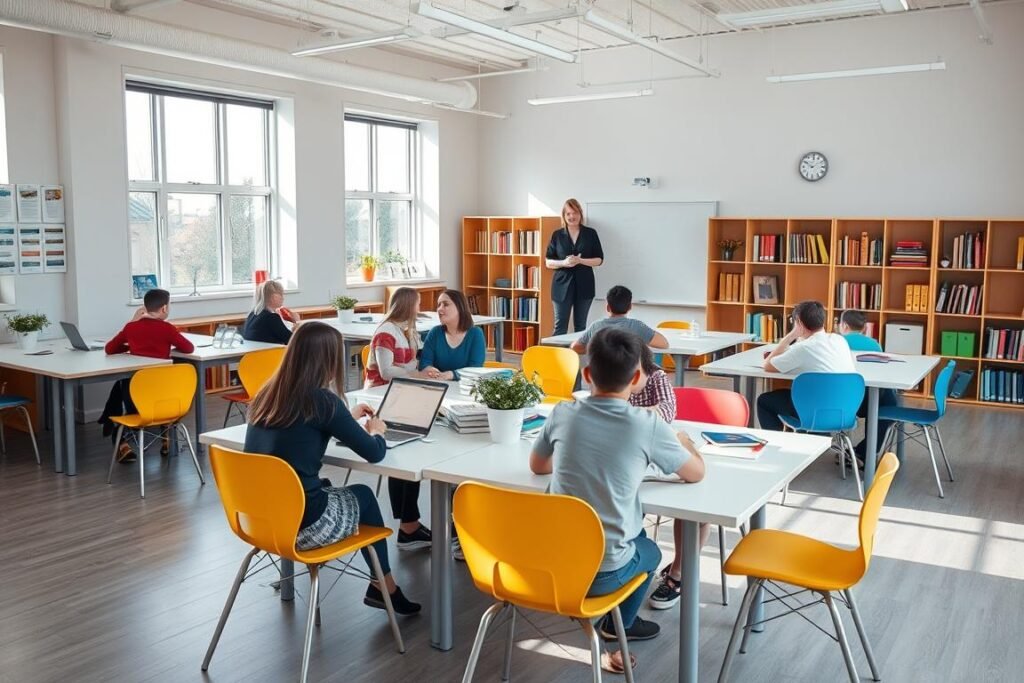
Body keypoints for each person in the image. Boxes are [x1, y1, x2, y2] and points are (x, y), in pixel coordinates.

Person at [530, 327, 705, 673]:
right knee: (650, 551)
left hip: (549, 562)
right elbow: (696, 473)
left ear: (586, 374)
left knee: (633, 538)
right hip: (602, 572)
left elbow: (537, 466)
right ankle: (617, 626)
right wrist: (685, 442)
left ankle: (609, 624)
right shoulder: (646, 425)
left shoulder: (562, 413)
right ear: (638, 377)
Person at [244, 322, 420, 615]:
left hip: (260, 520)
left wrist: (346, 419)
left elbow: (301, 431)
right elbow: (374, 453)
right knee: (363, 494)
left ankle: (381, 584)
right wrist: (376, 430)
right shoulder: (323, 401)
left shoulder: (267, 394)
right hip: (303, 526)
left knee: (323, 484)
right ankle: (383, 586)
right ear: (328, 359)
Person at [365, 287, 436, 551]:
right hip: (381, 400)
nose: (420, 308)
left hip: (401, 396)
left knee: (415, 448)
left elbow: (410, 366)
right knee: (405, 455)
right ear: (408, 305)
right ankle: (409, 526)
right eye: (418, 304)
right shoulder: (386, 332)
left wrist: (417, 370)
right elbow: (387, 371)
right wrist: (414, 371)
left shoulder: (408, 330)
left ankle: (411, 524)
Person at [101, 288, 195, 462]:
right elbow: (188, 348)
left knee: (121, 384)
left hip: (137, 397)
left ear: (144, 307)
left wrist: (131, 334)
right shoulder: (167, 329)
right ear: (165, 308)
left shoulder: (131, 328)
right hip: (166, 399)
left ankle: (121, 442)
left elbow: (110, 349)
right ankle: (167, 436)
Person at [757, 300, 856, 432]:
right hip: (843, 410)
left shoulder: (803, 348)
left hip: (812, 413)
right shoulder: (840, 340)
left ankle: (776, 446)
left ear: (799, 323)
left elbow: (767, 365)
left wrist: (791, 335)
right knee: (810, 394)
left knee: (764, 401)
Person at [838, 309, 899, 460]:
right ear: (864, 328)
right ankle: (865, 452)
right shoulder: (875, 345)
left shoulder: (837, 343)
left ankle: (856, 453)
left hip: (842, 399)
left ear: (844, 325)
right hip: (871, 399)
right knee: (888, 402)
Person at [545, 198, 604, 336]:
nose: (572, 216)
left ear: (580, 214)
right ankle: (558, 357)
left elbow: (599, 260)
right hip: (561, 286)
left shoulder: (590, 234)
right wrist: (564, 263)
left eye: (575, 213)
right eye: (568, 214)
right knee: (560, 326)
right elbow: (548, 262)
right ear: (564, 216)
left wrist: (580, 260)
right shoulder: (557, 235)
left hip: (585, 285)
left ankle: (576, 357)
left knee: (581, 326)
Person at [571, 285, 668, 354]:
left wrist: (596, 348)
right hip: (629, 379)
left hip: (601, 379)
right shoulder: (637, 326)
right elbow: (664, 344)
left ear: (608, 307)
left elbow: (575, 347)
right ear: (630, 306)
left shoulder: (596, 326)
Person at [419, 290, 486, 380]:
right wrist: (429, 370)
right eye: (439, 305)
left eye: (445, 304)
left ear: (459, 307)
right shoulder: (434, 333)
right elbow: (424, 362)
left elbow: (476, 368)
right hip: (439, 385)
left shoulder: (476, 333)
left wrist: (452, 375)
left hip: (465, 388)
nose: (439, 309)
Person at [242, 280, 292, 345]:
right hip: (269, 354)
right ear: (274, 297)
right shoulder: (271, 318)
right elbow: (291, 340)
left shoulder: (252, 315)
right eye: (281, 294)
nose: (283, 298)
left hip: (253, 354)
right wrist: (296, 324)